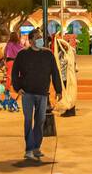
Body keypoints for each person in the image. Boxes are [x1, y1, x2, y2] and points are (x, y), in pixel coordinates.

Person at [10, 31, 62, 162]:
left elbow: (55, 73)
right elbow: (15, 72)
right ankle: (29, 149)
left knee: (40, 121)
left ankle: (36, 147)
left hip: (42, 93)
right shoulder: (23, 54)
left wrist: (58, 90)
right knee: (28, 121)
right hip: (27, 94)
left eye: (41, 37)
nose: (40, 40)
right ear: (31, 40)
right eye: (37, 38)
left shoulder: (48, 55)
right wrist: (17, 88)